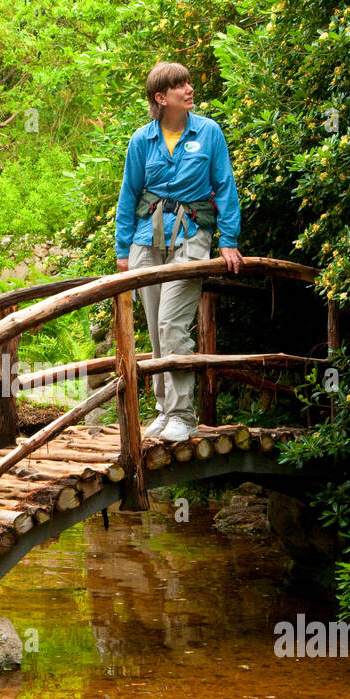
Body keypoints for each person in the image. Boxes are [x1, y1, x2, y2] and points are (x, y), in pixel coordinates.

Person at [115, 61, 243, 442]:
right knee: (155, 329)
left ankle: (184, 416)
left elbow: (225, 186)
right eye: (180, 85)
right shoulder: (142, 139)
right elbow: (129, 194)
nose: (189, 89)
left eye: (188, 82)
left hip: (192, 238)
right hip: (145, 239)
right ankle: (163, 410)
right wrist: (123, 250)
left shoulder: (208, 132)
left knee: (172, 324)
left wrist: (229, 240)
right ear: (161, 97)